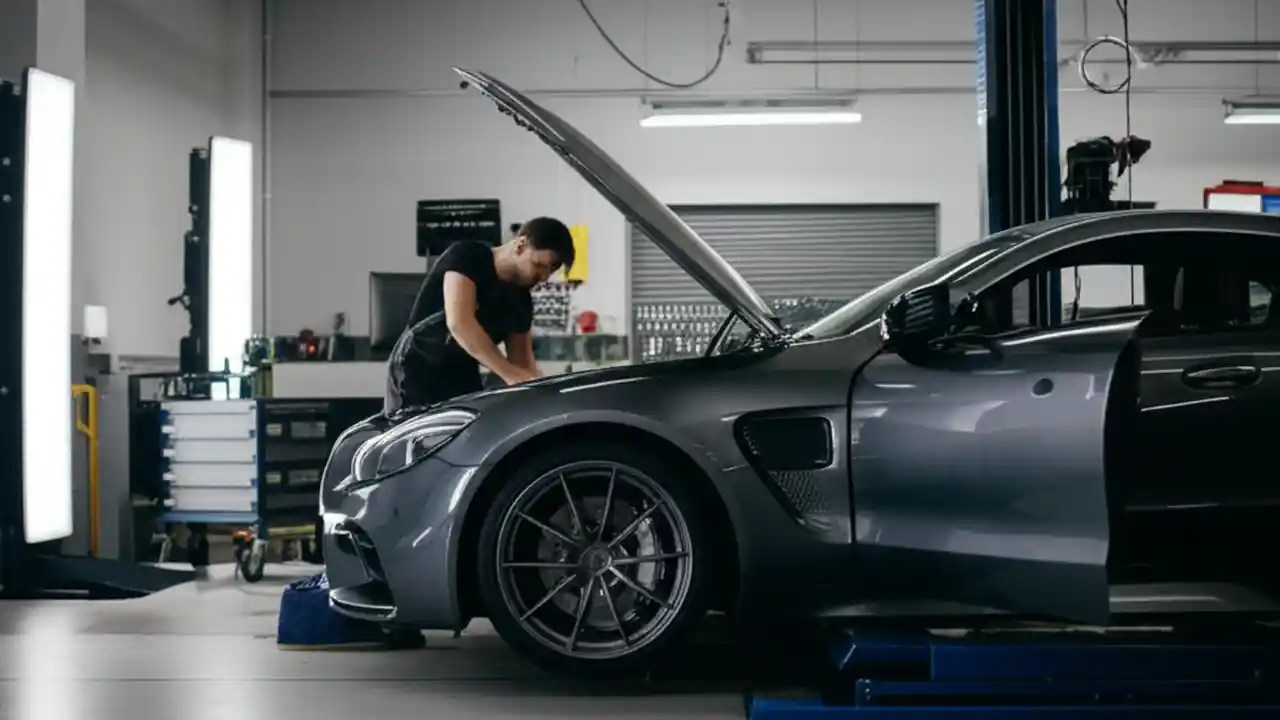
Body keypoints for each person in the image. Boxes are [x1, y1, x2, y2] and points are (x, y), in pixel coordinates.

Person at [384, 216, 575, 415]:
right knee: (412, 439)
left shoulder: (521, 300)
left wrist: (544, 394)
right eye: (539, 265)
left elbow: (523, 367)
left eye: (551, 270)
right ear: (521, 245)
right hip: (417, 368)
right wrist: (511, 374)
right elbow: (460, 324)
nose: (544, 277)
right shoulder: (467, 256)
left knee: (467, 439)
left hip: (462, 373)